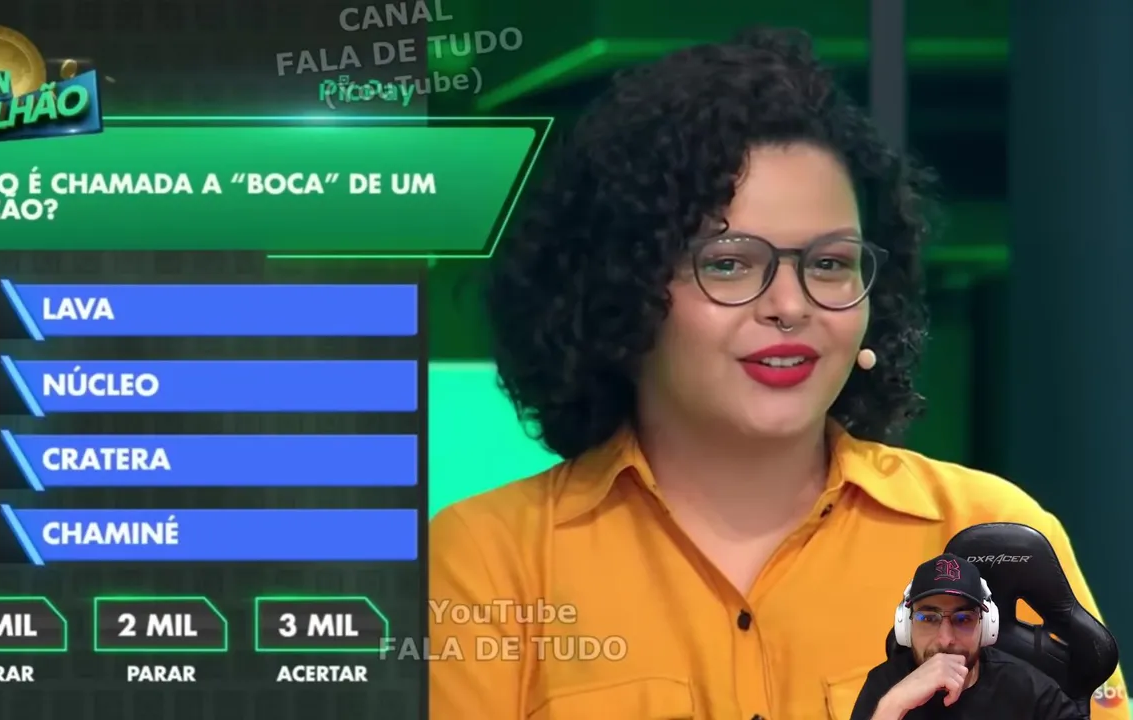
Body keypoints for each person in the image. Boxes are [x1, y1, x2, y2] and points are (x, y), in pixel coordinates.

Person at [429, 28, 1126, 719]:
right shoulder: (488, 560)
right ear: (621, 291)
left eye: (829, 263)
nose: (791, 306)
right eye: (730, 262)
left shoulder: (989, 534)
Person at [850, 554, 1085, 719]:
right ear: (906, 625)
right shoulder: (885, 685)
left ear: (987, 626)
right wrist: (895, 704)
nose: (945, 640)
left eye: (963, 619)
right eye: (928, 619)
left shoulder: (1031, 691)